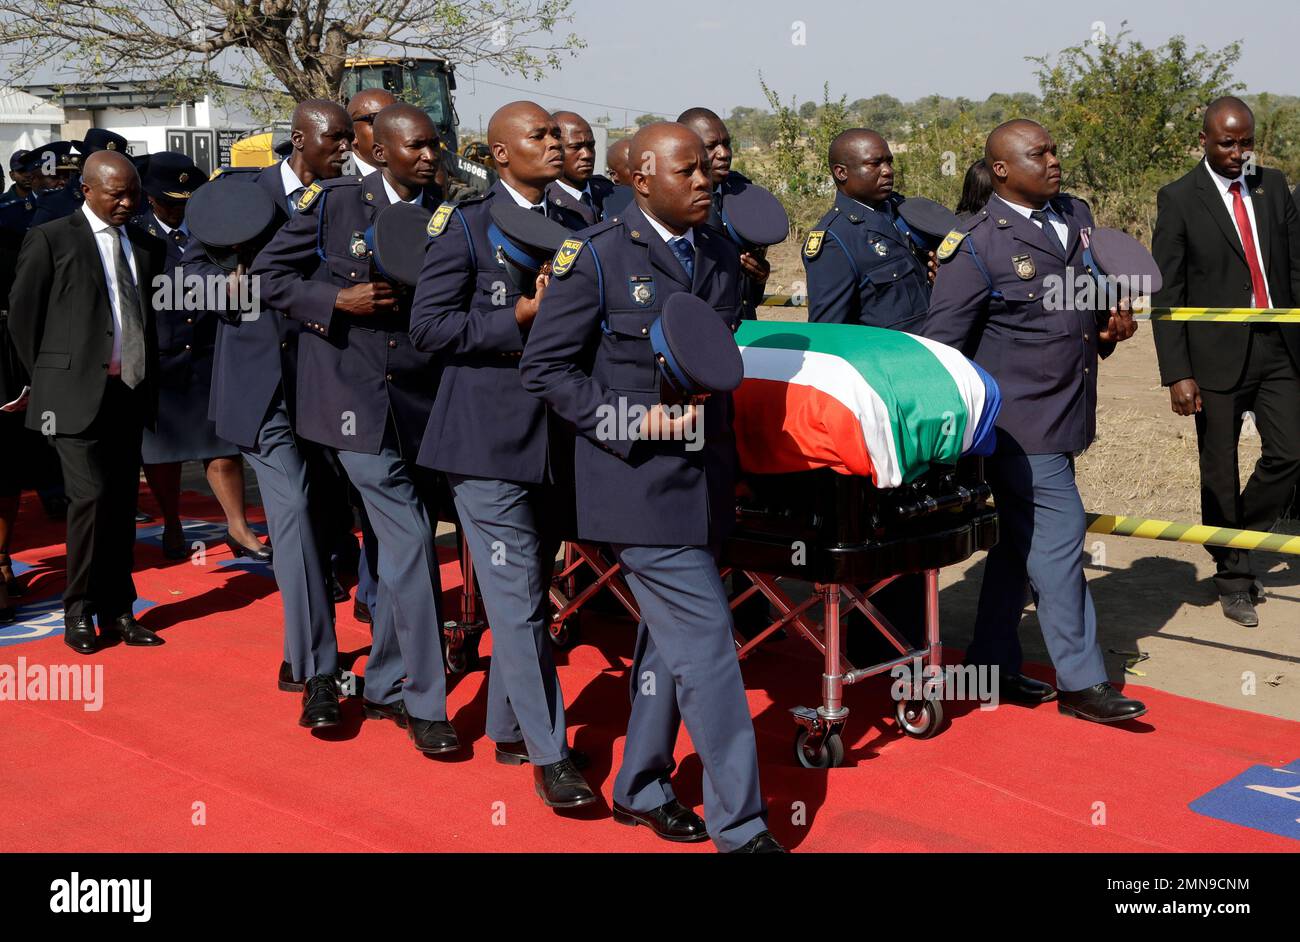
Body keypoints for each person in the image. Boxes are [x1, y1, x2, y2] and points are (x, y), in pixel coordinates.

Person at [521, 121, 781, 852]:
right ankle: (744, 826)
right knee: (708, 650)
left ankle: (639, 785)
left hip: (706, 482)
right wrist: (634, 419)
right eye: (689, 171)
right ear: (642, 178)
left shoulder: (721, 255)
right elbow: (546, 371)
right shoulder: (597, 258)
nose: (706, 181)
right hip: (636, 485)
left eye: (709, 170)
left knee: (667, 649)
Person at [921, 119, 1147, 725]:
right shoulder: (974, 243)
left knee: (1019, 542)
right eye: (1037, 154)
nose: (1053, 161)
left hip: (1067, 409)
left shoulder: (1075, 217)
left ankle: (992, 664)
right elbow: (944, 348)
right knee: (1061, 533)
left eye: (1054, 150)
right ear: (1000, 170)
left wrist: (1106, 332)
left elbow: (1076, 314)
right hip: (1016, 428)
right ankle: (1082, 682)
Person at [409, 100, 594, 807]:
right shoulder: (463, 226)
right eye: (538, 136)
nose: (555, 145)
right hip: (484, 440)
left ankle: (510, 728)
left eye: (556, 134)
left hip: (557, 436)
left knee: (529, 591)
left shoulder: (577, 225)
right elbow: (428, 328)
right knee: (517, 600)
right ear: (497, 155)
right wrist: (518, 315)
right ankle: (554, 756)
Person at [255, 102, 455, 746]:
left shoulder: (445, 210)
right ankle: (426, 705)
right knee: (413, 540)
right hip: (349, 401)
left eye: (436, 146)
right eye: (418, 147)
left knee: (401, 550)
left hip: (421, 403)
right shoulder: (335, 202)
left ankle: (386, 681)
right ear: (382, 149)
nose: (430, 157)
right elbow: (267, 277)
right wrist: (333, 300)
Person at [203, 99, 352, 707]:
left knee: (327, 522)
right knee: (290, 519)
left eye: (351, 137)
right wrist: (232, 287)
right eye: (335, 138)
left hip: (334, 386)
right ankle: (318, 669)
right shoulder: (237, 196)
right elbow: (183, 281)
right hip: (264, 392)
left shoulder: (348, 200)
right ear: (298, 139)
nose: (346, 148)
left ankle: (310, 653)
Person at [1151, 96, 1300, 628]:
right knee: (1219, 467)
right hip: (1212, 358)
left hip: (1279, 344)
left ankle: (1240, 535)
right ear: (1205, 142)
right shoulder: (1179, 199)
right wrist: (1177, 372)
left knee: (1290, 453)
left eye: (1247, 143)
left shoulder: (1273, 185)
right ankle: (1232, 574)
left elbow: (1294, 265)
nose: (1240, 153)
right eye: (1228, 143)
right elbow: (1165, 293)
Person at [9, 150, 165, 654]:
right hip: (69, 398)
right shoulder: (52, 239)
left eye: (133, 193)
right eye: (116, 193)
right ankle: (77, 610)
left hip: (128, 394)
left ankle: (118, 609)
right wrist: (48, 378)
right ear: (88, 191)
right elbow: (23, 318)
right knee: (89, 497)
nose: (126, 202)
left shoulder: (143, 244)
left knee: (120, 505)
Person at [131, 152, 268, 563]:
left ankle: (238, 527)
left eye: (187, 201)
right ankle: (172, 523)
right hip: (163, 356)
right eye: (171, 201)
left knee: (222, 447)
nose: (180, 209)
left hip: (209, 349)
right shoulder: (136, 234)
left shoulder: (215, 228)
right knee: (163, 453)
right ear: (152, 199)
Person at [803, 128, 933, 330]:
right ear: (841, 172)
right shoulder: (835, 241)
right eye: (874, 164)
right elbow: (828, 332)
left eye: (889, 162)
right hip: (887, 357)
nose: (887, 171)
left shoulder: (904, 212)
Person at [676, 108, 771, 316]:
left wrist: (759, 277)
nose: (724, 153)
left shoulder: (743, 192)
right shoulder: (672, 203)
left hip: (744, 325)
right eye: (711, 146)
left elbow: (748, 284)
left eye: (726, 144)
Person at [30, 129, 130, 226]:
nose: (106, 171)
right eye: (98, 165)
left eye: (113, 165)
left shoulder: (133, 199)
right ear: (82, 164)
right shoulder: (54, 203)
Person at [545, 111, 616, 225]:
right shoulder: (546, 200)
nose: (587, 155)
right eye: (575, 147)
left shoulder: (608, 191)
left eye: (590, 146)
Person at [345, 88, 398, 178]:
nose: (392, 128)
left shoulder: (417, 178)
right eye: (377, 120)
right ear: (352, 133)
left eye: (397, 120)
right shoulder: (334, 184)